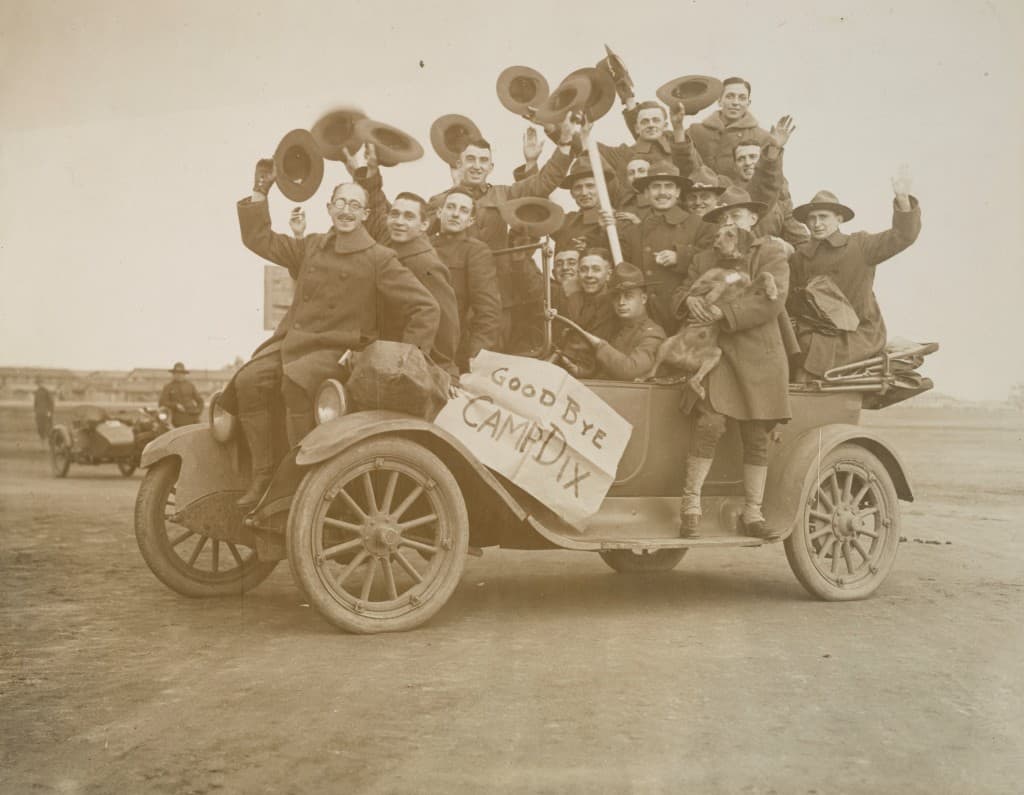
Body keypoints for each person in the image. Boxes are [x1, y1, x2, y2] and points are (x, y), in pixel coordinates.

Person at [234, 160, 440, 509]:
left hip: (340, 352)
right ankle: (262, 475)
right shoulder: (312, 245)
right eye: (340, 203)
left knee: (295, 382)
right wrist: (261, 189)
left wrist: (399, 360)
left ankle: (303, 480)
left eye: (355, 206)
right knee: (247, 381)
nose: (346, 211)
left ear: (366, 214)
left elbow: (426, 307)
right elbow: (260, 239)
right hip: (293, 345)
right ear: (329, 208)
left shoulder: (380, 257)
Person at [670, 209, 793, 540]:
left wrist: (723, 311)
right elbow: (681, 292)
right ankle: (690, 507)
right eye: (724, 219)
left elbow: (772, 302)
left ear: (752, 219)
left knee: (755, 435)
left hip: (758, 354)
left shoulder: (770, 253)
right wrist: (689, 301)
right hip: (716, 353)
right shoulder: (705, 256)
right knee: (709, 423)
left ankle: (753, 513)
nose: (729, 225)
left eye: (737, 216)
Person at [427, 114, 579, 353]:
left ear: (491, 167)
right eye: (471, 159)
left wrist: (565, 144)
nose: (477, 165)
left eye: (483, 160)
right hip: (453, 298)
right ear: (459, 164)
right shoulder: (441, 202)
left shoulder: (505, 194)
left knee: (490, 360)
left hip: (496, 299)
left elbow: (543, 183)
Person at [787, 170, 922, 380]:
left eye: (823, 217)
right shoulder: (799, 258)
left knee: (808, 367)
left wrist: (903, 199)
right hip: (815, 335)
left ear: (839, 219)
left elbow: (903, 236)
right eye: (811, 218)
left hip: (858, 335)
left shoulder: (860, 246)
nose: (817, 223)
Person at [614, 162, 715, 334]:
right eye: (655, 187)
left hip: (684, 317)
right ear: (646, 193)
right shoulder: (633, 233)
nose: (662, 193)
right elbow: (620, 267)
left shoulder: (700, 225)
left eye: (668, 186)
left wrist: (681, 257)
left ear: (677, 192)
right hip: (646, 322)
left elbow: (712, 263)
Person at [430, 187, 501, 371]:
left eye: (463, 210)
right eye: (451, 207)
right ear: (439, 212)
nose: (455, 214)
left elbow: (488, 310)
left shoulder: (476, 251)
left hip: (453, 351)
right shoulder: (423, 246)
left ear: (470, 221)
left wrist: (476, 355)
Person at [572, 262, 667, 381]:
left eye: (628, 296)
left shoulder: (653, 334)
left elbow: (630, 370)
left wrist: (599, 345)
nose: (621, 302)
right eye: (616, 296)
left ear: (643, 298)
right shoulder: (613, 327)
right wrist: (583, 372)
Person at [684, 77, 772, 179]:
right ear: (719, 101)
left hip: (742, 194)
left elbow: (771, 176)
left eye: (742, 98)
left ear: (748, 103)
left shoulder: (762, 137)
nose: (735, 102)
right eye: (730, 96)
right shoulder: (696, 131)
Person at [552, 155, 615, 255]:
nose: (584, 192)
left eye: (590, 186)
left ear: (602, 189)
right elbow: (539, 210)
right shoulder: (565, 222)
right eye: (578, 187)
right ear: (572, 193)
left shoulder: (617, 220)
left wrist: (604, 231)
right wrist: (531, 164)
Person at [558, 247, 618, 340]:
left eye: (596, 269)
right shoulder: (572, 301)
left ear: (609, 275)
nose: (589, 275)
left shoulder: (616, 306)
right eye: (584, 269)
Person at [33, 380, 54, 445]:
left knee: (47, 427)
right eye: (38, 383)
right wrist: (35, 411)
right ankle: (42, 441)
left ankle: (50, 442)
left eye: (40, 383)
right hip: (39, 413)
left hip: (46, 413)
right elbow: (35, 403)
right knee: (40, 427)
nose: (39, 384)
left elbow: (51, 402)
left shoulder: (46, 391)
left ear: (43, 383)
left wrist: (50, 412)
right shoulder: (37, 391)